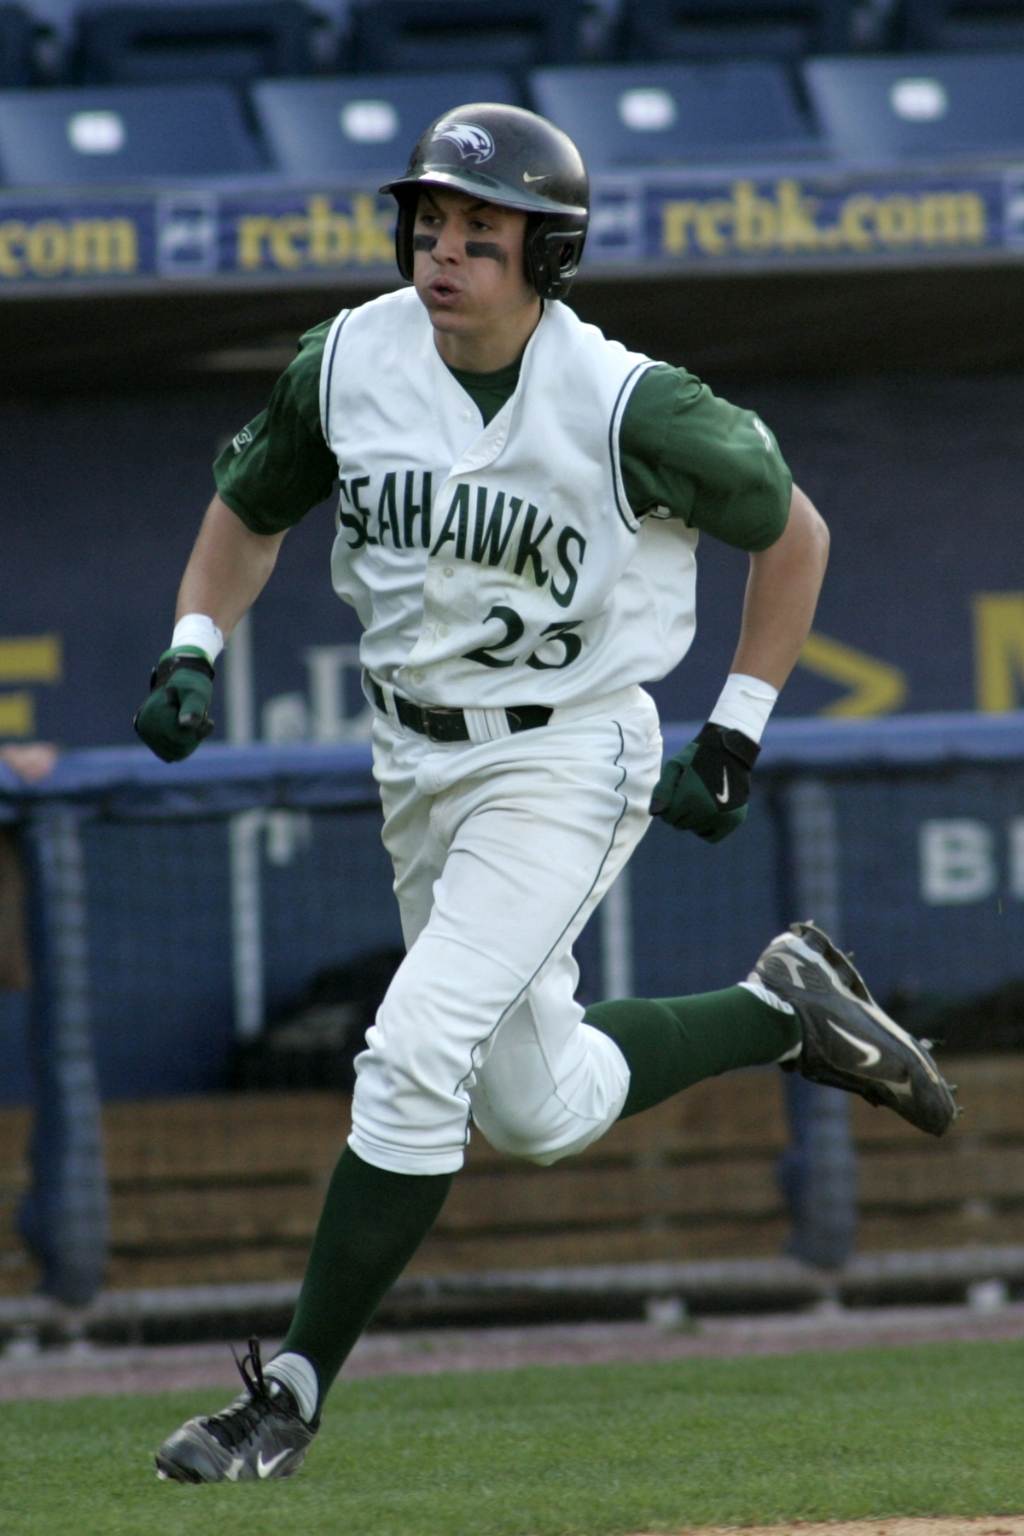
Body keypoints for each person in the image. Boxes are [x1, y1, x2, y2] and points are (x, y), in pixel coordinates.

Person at [136, 103, 957, 1485]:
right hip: (415, 756)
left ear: (550, 255)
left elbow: (793, 528)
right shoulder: (348, 363)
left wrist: (737, 728)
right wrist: (191, 644)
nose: (443, 252)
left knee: (410, 1053)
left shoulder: (629, 402)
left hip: (568, 751)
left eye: (480, 233)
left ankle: (285, 1393)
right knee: (538, 1109)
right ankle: (781, 1011)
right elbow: (249, 511)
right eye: (430, 224)